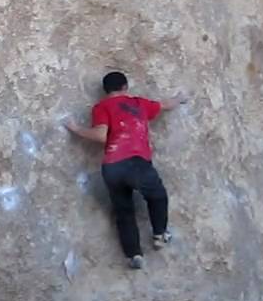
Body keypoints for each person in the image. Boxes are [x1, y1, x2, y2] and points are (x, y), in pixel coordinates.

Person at [63, 71, 187, 270]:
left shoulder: (101, 107)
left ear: (106, 90)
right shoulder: (138, 103)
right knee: (157, 196)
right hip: (136, 162)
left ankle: (134, 255)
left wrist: (76, 129)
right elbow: (165, 105)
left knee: (124, 211)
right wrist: (179, 98)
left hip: (112, 166)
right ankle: (160, 234)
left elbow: (100, 134)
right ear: (125, 86)